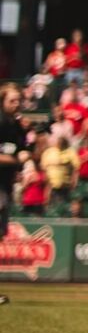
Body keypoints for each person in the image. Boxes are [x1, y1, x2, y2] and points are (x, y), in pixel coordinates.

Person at [0, 84, 26, 234]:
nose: (17, 104)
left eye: (19, 100)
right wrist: (17, 161)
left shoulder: (15, 125)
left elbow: (20, 150)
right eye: (12, 101)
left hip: (6, 182)